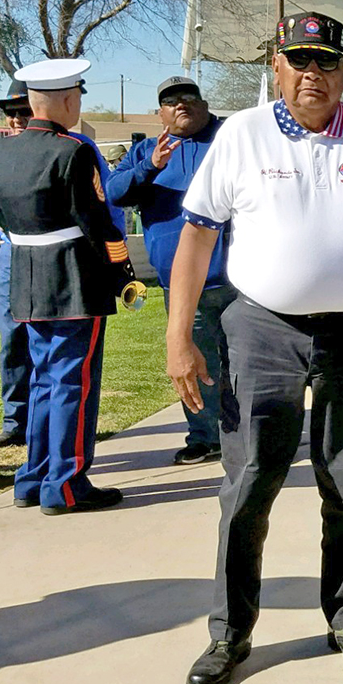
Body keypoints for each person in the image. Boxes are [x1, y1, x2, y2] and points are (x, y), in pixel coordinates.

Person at [170, 12, 343, 684]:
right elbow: (198, 238)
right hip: (262, 329)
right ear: (276, 66)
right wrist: (178, 336)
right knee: (249, 483)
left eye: (326, 62)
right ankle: (229, 633)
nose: (312, 74)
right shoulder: (241, 135)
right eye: (299, 60)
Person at [0, 59, 135, 515]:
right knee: (73, 382)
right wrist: (122, 273)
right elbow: (98, 221)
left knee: (43, 381)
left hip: (26, 275)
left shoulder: (2, 153)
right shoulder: (72, 150)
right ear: (68, 99)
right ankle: (67, 484)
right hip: (72, 277)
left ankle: (32, 478)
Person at [107, 76, 232, 464]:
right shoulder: (147, 150)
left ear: (204, 103)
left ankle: (249, 435)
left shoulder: (230, 140)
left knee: (244, 363)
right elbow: (114, 193)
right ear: (160, 113)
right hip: (179, 285)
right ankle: (204, 436)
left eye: (189, 98)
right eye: (171, 101)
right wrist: (149, 166)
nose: (182, 105)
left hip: (236, 279)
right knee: (194, 363)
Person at [0, 80, 33, 449]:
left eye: (24, 112)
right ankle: (15, 420)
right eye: (11, 113)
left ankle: (48, 421)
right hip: (9, 257)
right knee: (12, 342)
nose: (16, 119)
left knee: (48, 344)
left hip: (50, 257)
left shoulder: (69, 148)